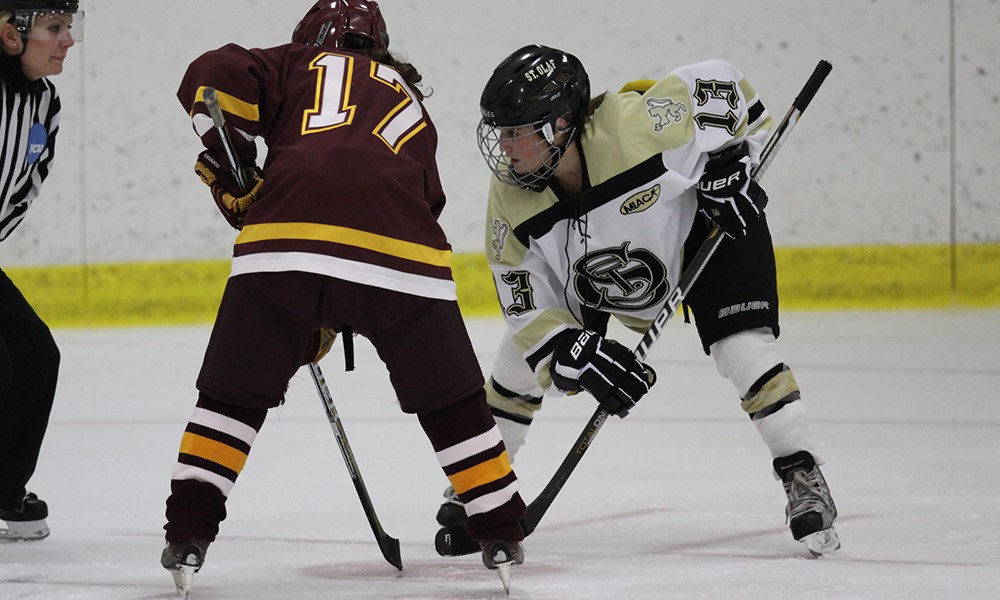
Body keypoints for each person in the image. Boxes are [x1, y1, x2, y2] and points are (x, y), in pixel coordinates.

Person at [159, 1, 526, 595]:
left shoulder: (294, 64)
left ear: (311, 39)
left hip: (286, 247)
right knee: (452, 400)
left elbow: (206, 77)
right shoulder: (409, 97)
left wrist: (234, 158)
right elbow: (426, 199)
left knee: (230, 397)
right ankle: (502, 528)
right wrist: (355, 303)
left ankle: (188, 534)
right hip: (405, 259)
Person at [435, 44, 840, 557]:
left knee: (742, 350)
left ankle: (801, 472)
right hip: (604, 267)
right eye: (501, 133)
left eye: (518, 132)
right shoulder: (511, 193)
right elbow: (521, 292)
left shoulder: (634, 126)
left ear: (561, 124)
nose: (506, 148)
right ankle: (483, 488)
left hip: (702, 228)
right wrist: (568, 354)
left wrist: (729, 162)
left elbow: (721, 84)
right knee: (519, 356)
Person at [0, 0, 82, 543]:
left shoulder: (45, 103)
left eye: (68, 29)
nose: (66, 42)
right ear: (12, 34)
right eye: (54, 28)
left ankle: (5, 489)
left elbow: (24, 187)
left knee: (32, 356)